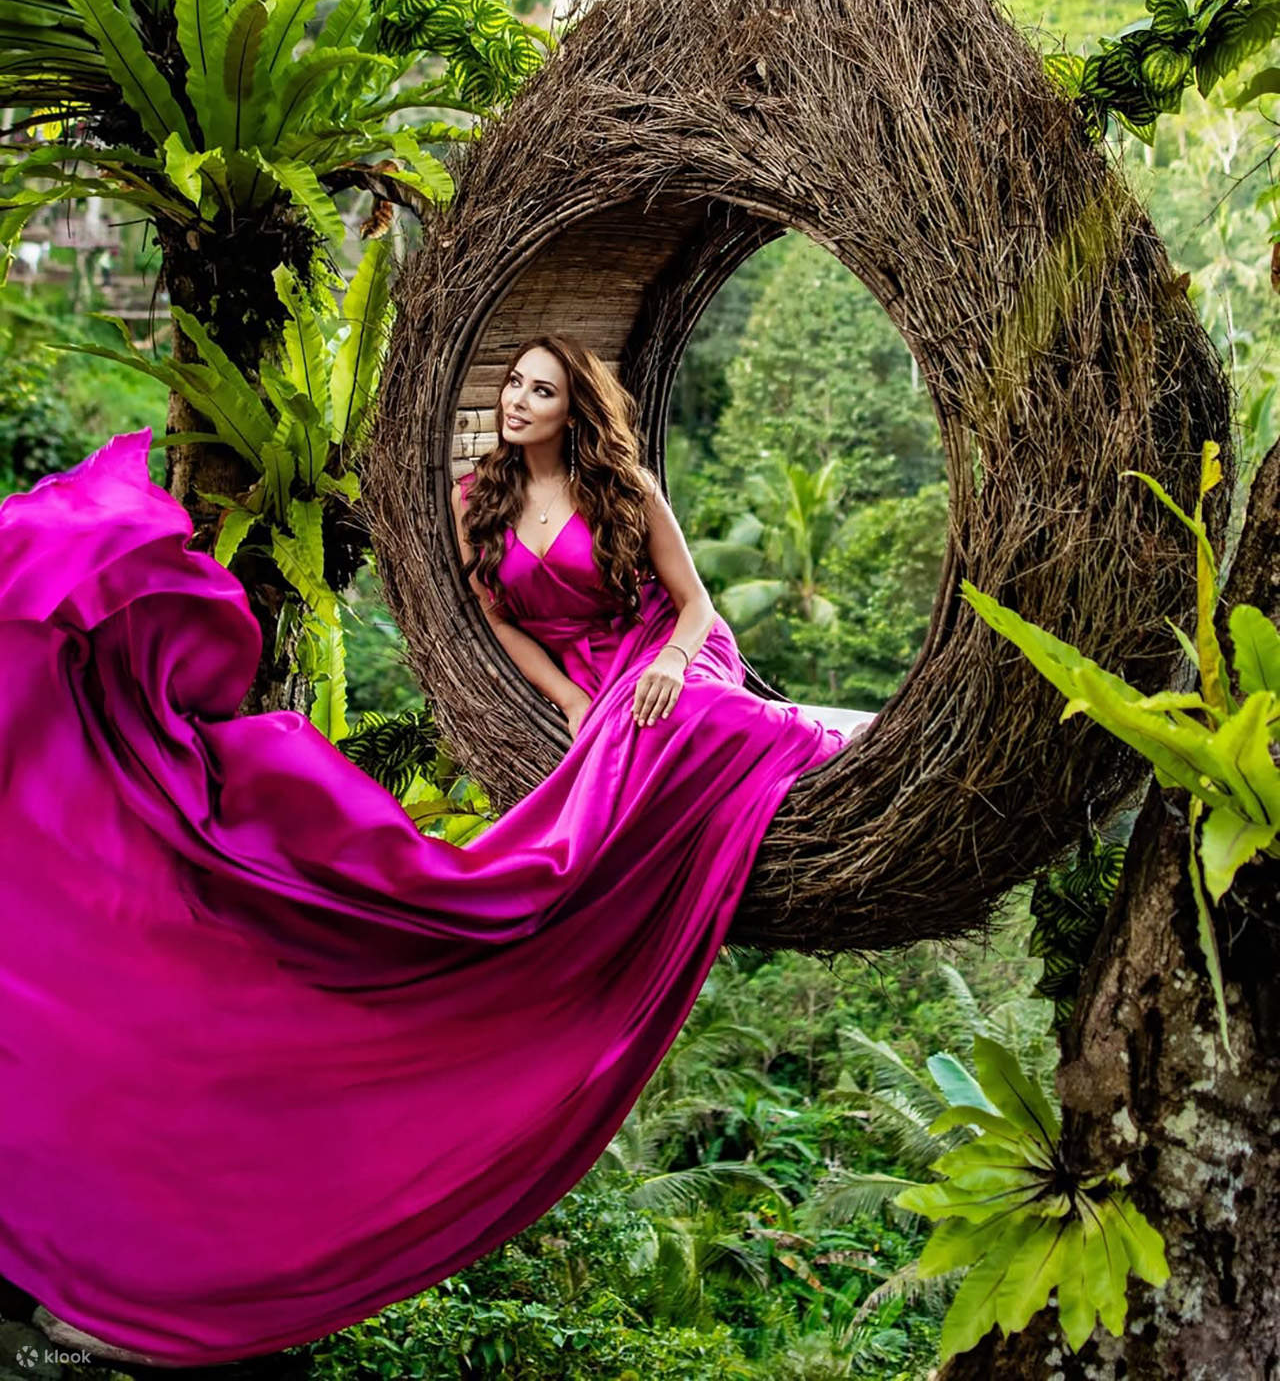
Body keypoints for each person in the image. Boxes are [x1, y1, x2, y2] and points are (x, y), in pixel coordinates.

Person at [0, 340, 863, 1368]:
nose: (518, 401)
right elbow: (504, 627)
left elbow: (694, 607)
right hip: (590, 682)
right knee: (551, 846)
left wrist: (670, 669)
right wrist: (572, 705)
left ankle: (786, 742)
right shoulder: (479, 497)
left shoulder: (624, 486)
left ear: (573, 406)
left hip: (666, 665)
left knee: (714, 735)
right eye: (513, 385)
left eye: (540, 389)